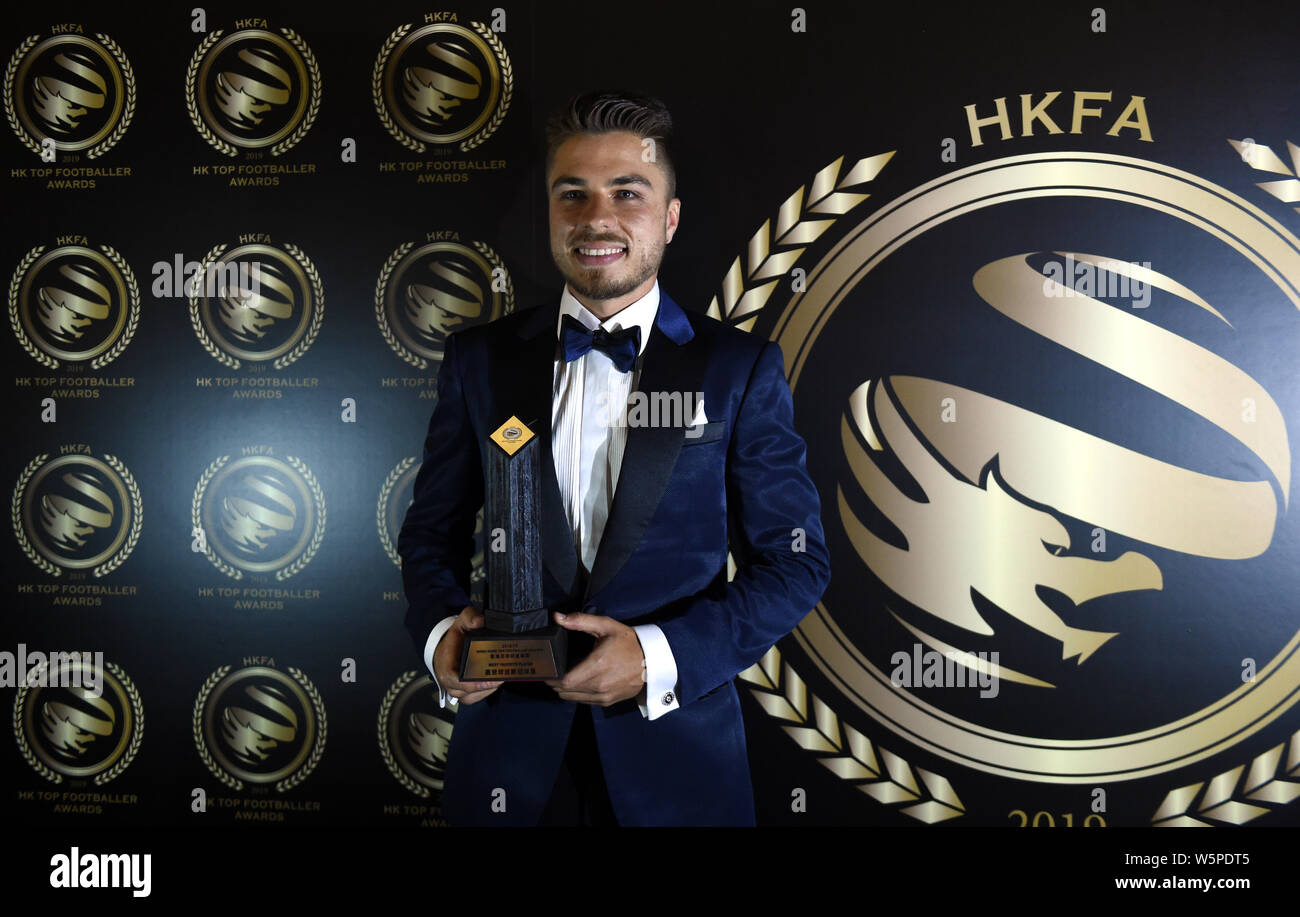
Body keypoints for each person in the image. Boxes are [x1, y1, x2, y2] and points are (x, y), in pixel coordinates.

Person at [398, 90, 830, 826]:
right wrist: (443, 637)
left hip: (679, 768)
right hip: (507, 766)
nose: (597, 218)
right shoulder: (480, 360)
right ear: (551, 213)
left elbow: (796, 563)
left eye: (627, 193)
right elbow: (430, 534)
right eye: (573, 195)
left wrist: (657, 655)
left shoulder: (739, 369)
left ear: (669, 217)